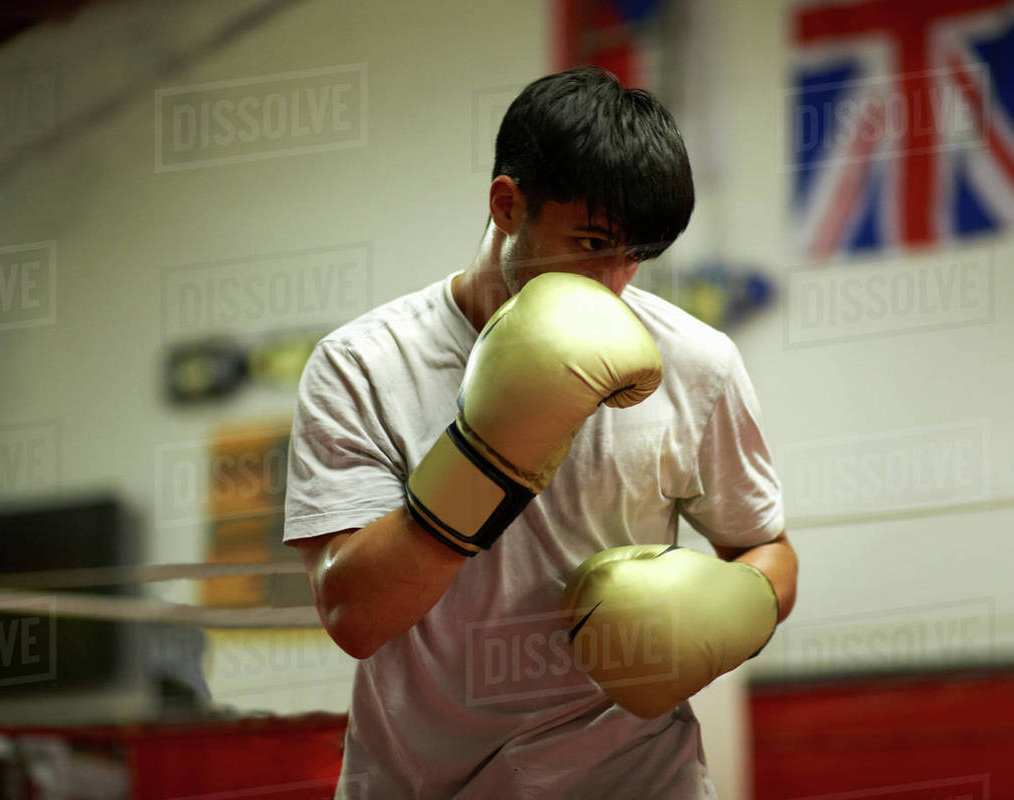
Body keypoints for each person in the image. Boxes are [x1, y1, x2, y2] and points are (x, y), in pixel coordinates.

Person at [284, 66, 798, 800]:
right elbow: (355, 616)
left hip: (636, 779)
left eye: (636, 257)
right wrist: (490, 453)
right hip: (422, 782)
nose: (615, 283)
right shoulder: (362, 366)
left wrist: (734, 605)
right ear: (506, 203)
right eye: (591, 243)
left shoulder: (694, 361)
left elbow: (769, 549)